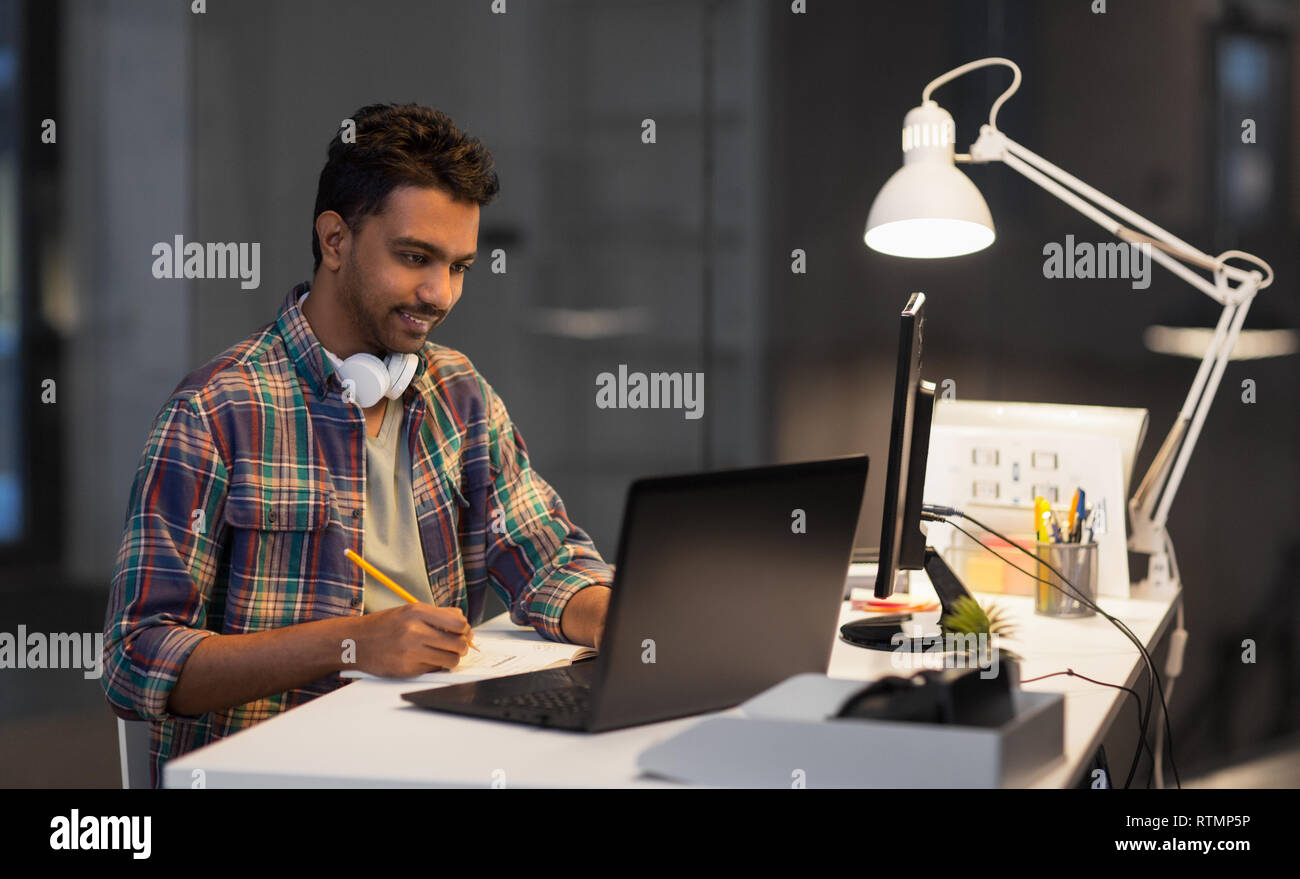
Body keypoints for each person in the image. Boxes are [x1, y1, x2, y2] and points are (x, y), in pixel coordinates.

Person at [101, 103, 614, 788]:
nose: (440, 293)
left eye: (459, 265)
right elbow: (137, 662)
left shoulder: (460, 396)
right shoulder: (214, 413)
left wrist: (623, 616)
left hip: (432, 763)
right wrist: (349, 643)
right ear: (335, 241)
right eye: (414, 257)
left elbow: (549, 562)